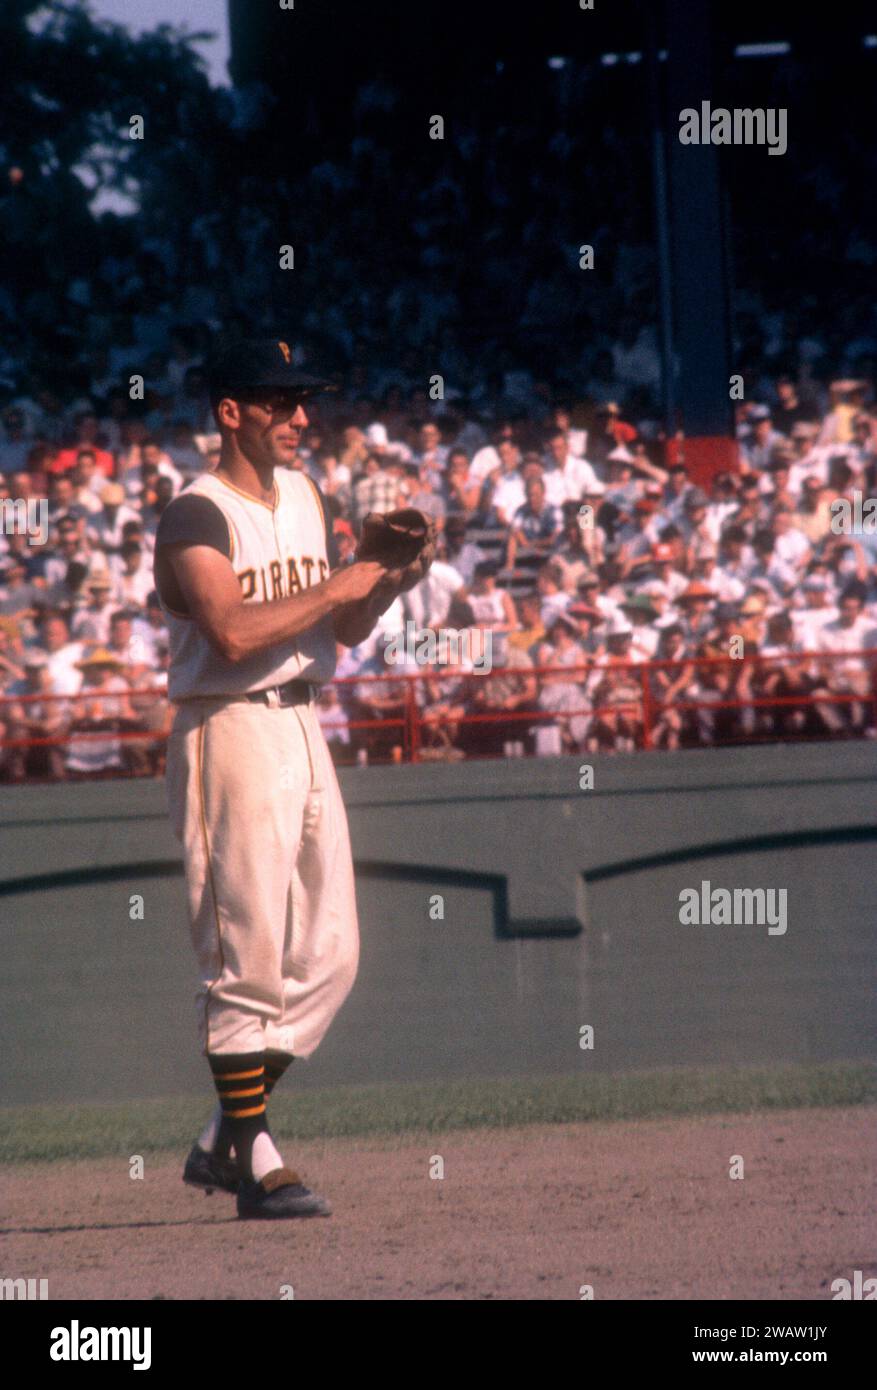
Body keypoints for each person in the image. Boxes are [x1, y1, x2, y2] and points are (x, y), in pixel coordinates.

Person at [155, 338, 426, 1221]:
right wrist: (347, 577)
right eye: (279, 401)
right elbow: (231, 632)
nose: (300, 417)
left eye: (303, 400)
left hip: (305, 723)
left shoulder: (308, 496)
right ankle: (258, 1160)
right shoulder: (195, 513)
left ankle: (221, 1134)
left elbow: (342, 630)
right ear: (230, 411)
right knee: (246, 960)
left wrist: (385, 578)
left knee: (331, 956)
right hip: (225, 726)